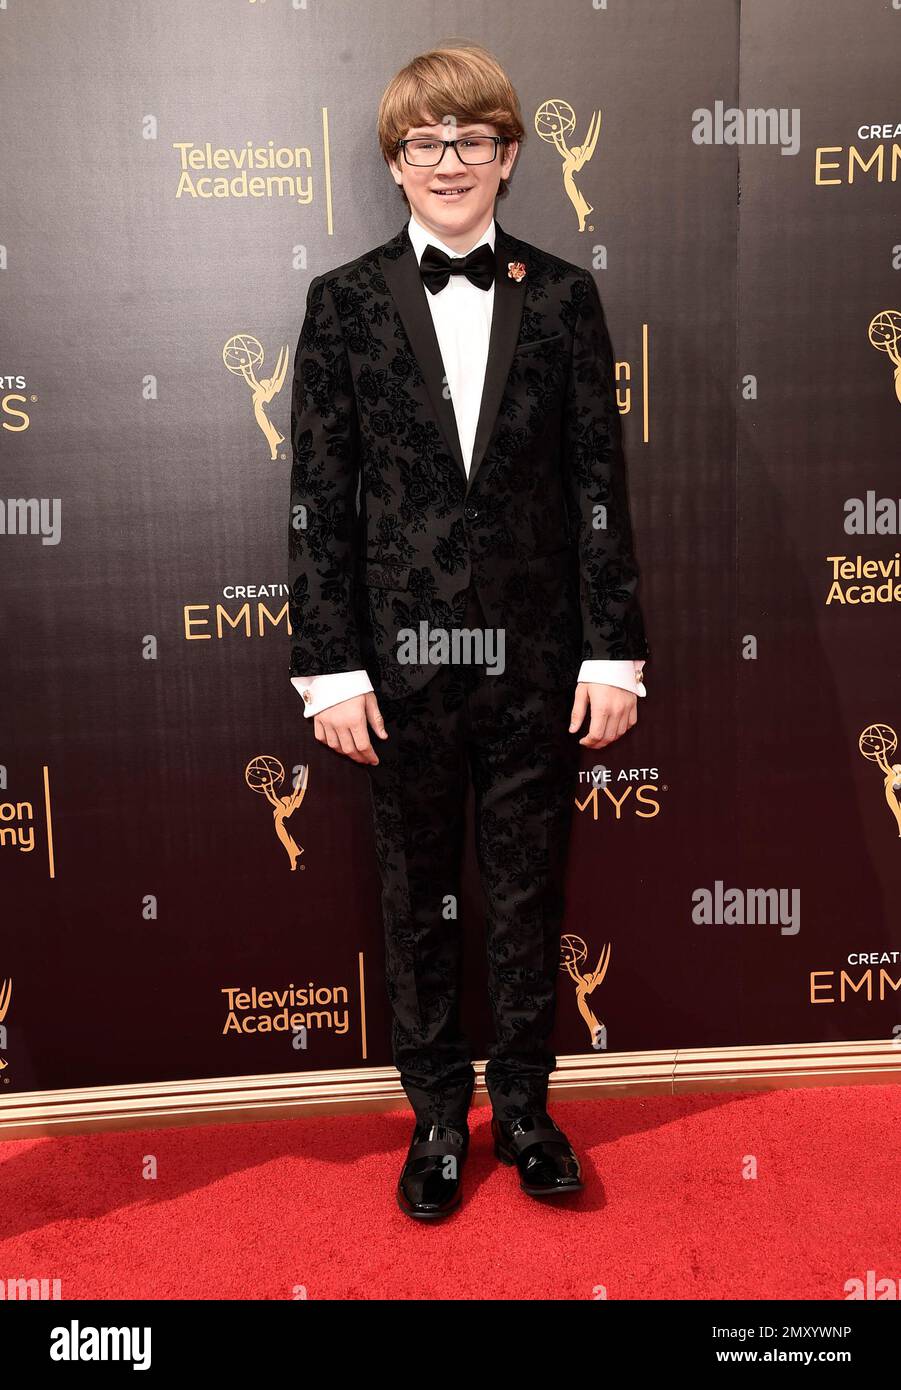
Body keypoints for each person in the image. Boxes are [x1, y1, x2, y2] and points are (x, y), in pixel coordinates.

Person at [288, 42, 649, 1219]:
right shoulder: (340, 303)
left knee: (528, 891)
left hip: (538, 663)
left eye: (473, 139)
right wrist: (328, 667)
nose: (450, 161)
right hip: (396, 673)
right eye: (425, 142)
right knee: (415, 894)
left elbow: (599, 478)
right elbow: (317, 496)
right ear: (396, 163)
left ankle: (529, 1111)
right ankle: (439, 1116)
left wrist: (611, 650)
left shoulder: (565, 295)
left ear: (507, 156)